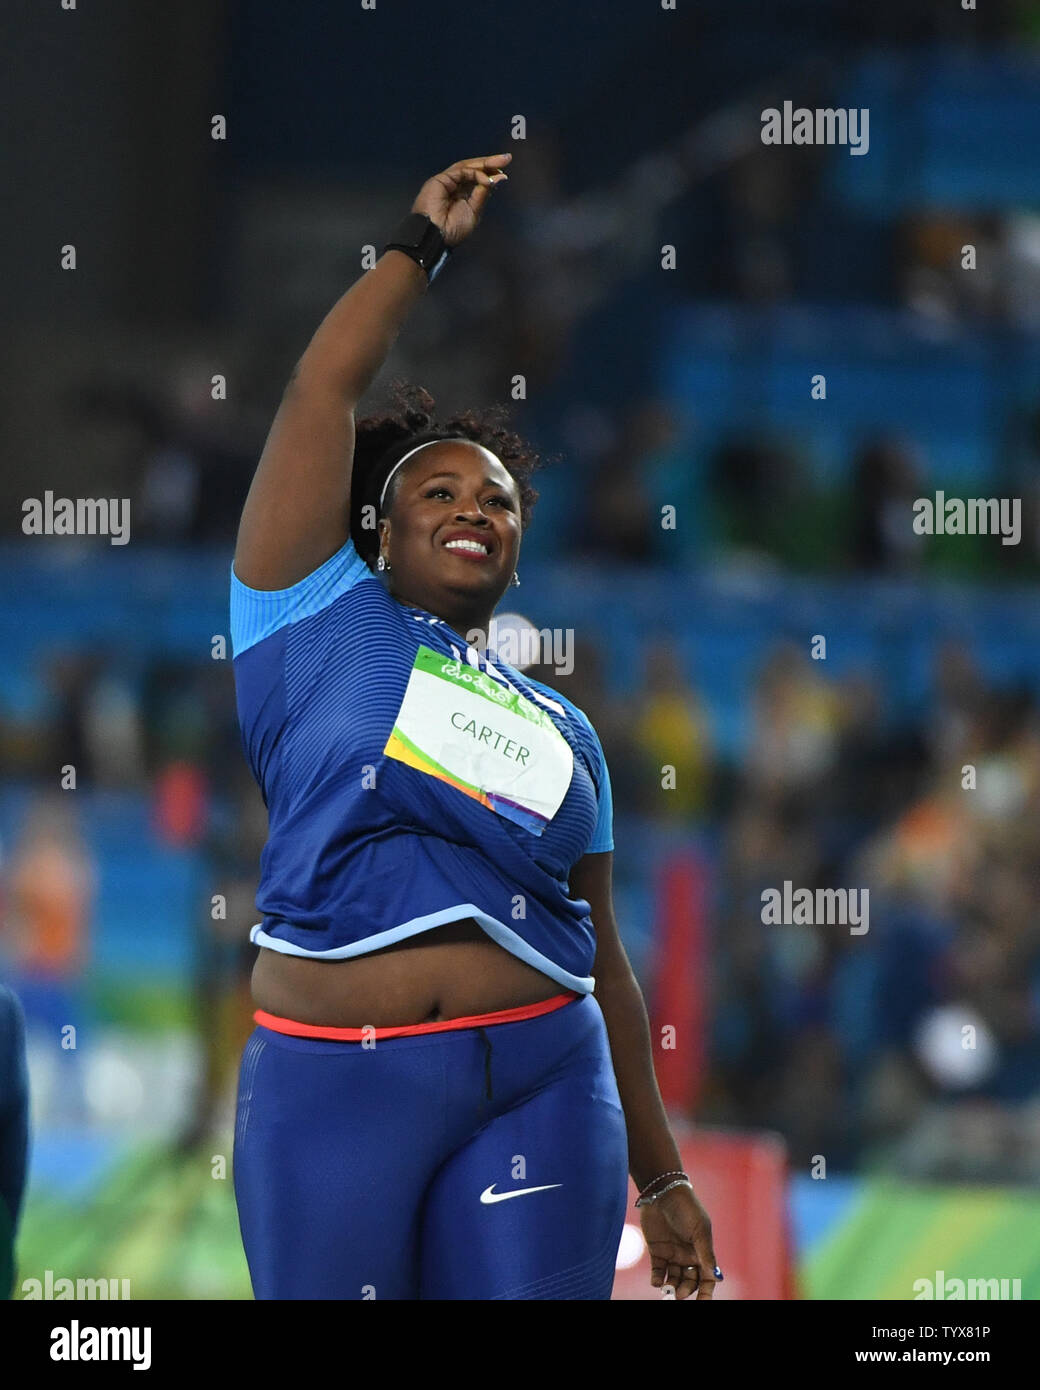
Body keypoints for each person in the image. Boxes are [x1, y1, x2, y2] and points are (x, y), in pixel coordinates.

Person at [229, 152, 718, 1300]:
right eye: (437, 492)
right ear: (377, 533)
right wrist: (419, 244)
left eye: (496, 498)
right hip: (331, 1087)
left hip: (547, 1075)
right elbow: (319, 389)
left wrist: (662, 1179)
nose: (473, 509)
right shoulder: (311, 617)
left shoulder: (563, 729)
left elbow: (602, 955)